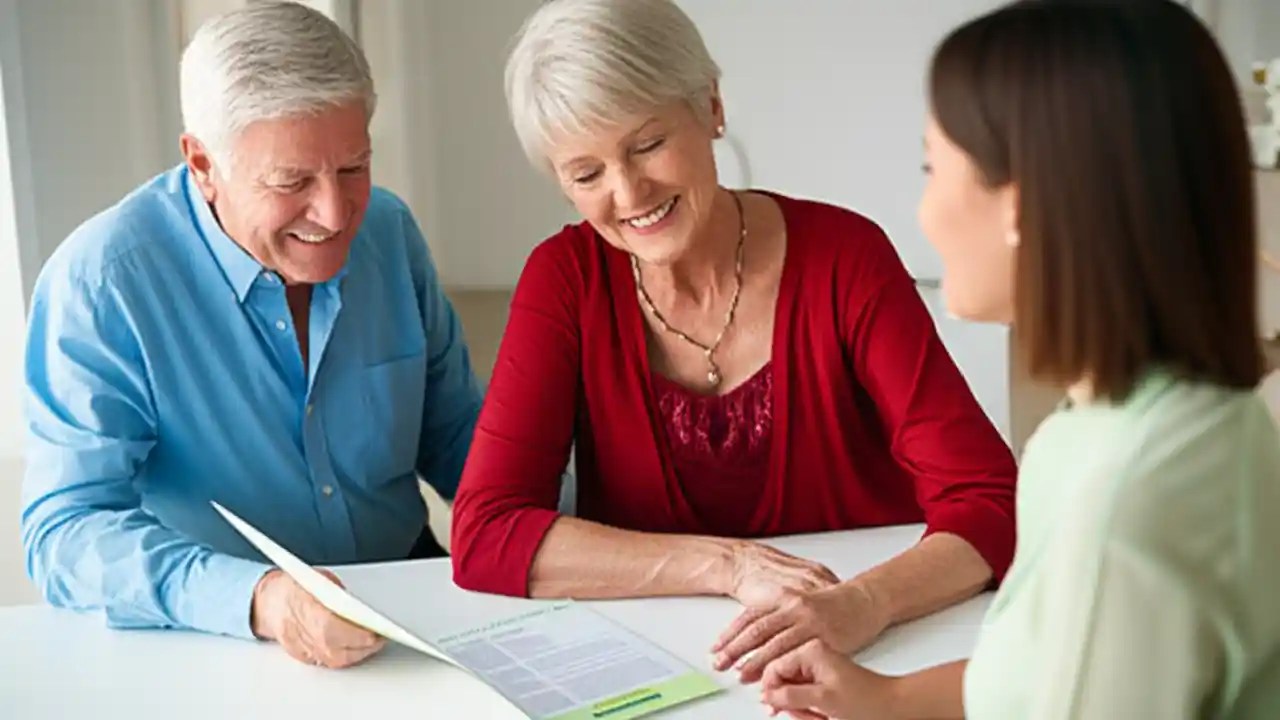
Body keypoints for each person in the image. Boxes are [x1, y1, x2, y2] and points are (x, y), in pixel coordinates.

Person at [450, 0, 1018, 680]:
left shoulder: (846, 257)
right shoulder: (563, 279)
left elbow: (989, 502)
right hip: (672, 667)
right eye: (586, 174)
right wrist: (726, 564)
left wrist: (864, 604)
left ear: (711, 107)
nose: (629, 193)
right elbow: (485, 533)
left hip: (874, 660)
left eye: (647, 144)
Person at [757, 1, 1280, 718]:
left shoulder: (1126, 495)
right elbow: (1056, 665)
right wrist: (890, 697)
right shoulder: (1152, 417)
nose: (924, 211)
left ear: (1021, 205)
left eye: (932, 167)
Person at [21, 1, 481, 670]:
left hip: (409, 597)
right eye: (291, 181)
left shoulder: (388, 230)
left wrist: (587, 537)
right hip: (227, 630)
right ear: (203, 163)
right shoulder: (102, 283)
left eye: (353, 167)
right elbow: (66, 531)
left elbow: (460, 437)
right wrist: (264, 601)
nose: (334, 212)